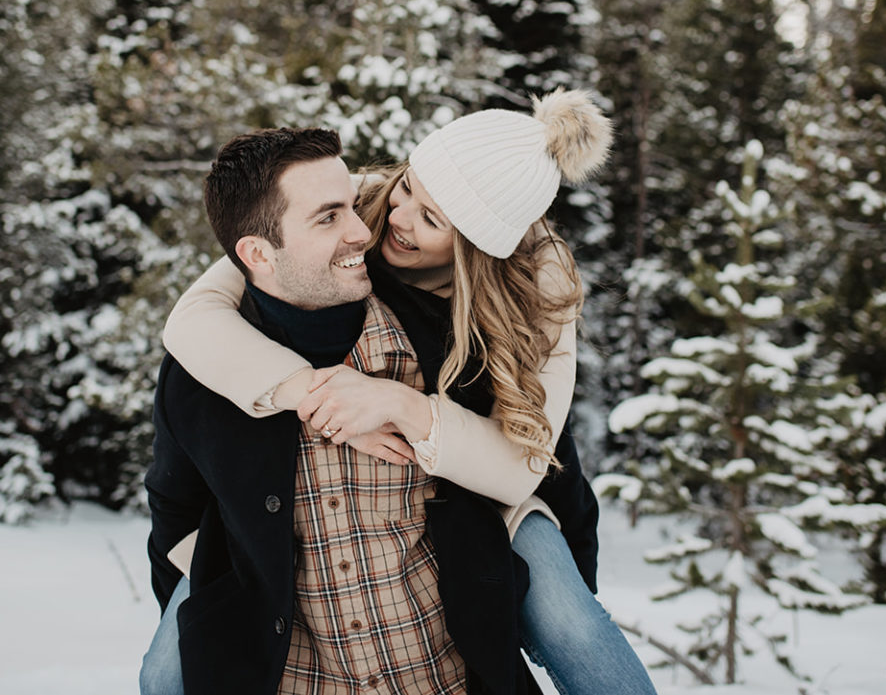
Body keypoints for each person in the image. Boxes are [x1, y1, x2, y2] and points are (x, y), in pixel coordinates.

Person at [153, 91, 655, 695]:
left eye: (431, 220)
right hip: (389, 464)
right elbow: (199, 314)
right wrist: (313, 393)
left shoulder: (538, 285)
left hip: (495, 468)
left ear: (477, 244)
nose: (391, 221)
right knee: (165, 669)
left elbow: (525, 463)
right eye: (408, 188)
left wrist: (400, 405)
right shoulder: (362, 201)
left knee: (575, 626)